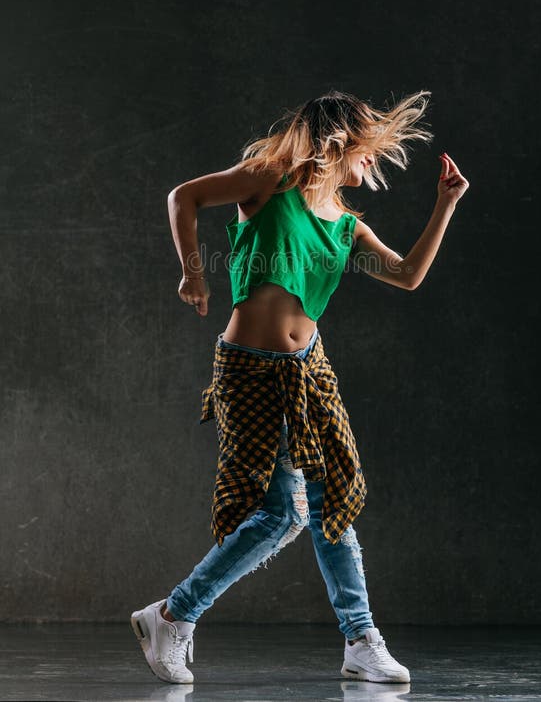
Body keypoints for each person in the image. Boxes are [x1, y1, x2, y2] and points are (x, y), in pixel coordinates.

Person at [131, 89, 469, 686]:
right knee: (281, 514)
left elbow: (409, 275)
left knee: (328, 499)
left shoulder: (347, 226)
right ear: (342, 141)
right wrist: (193, 271)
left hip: (309, 369)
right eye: (371, 150)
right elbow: (183, 197)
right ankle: (173, 614)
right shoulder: (271, 181)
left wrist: (444, 205)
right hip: (248, 369)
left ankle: (360, 639)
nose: (376, 163)